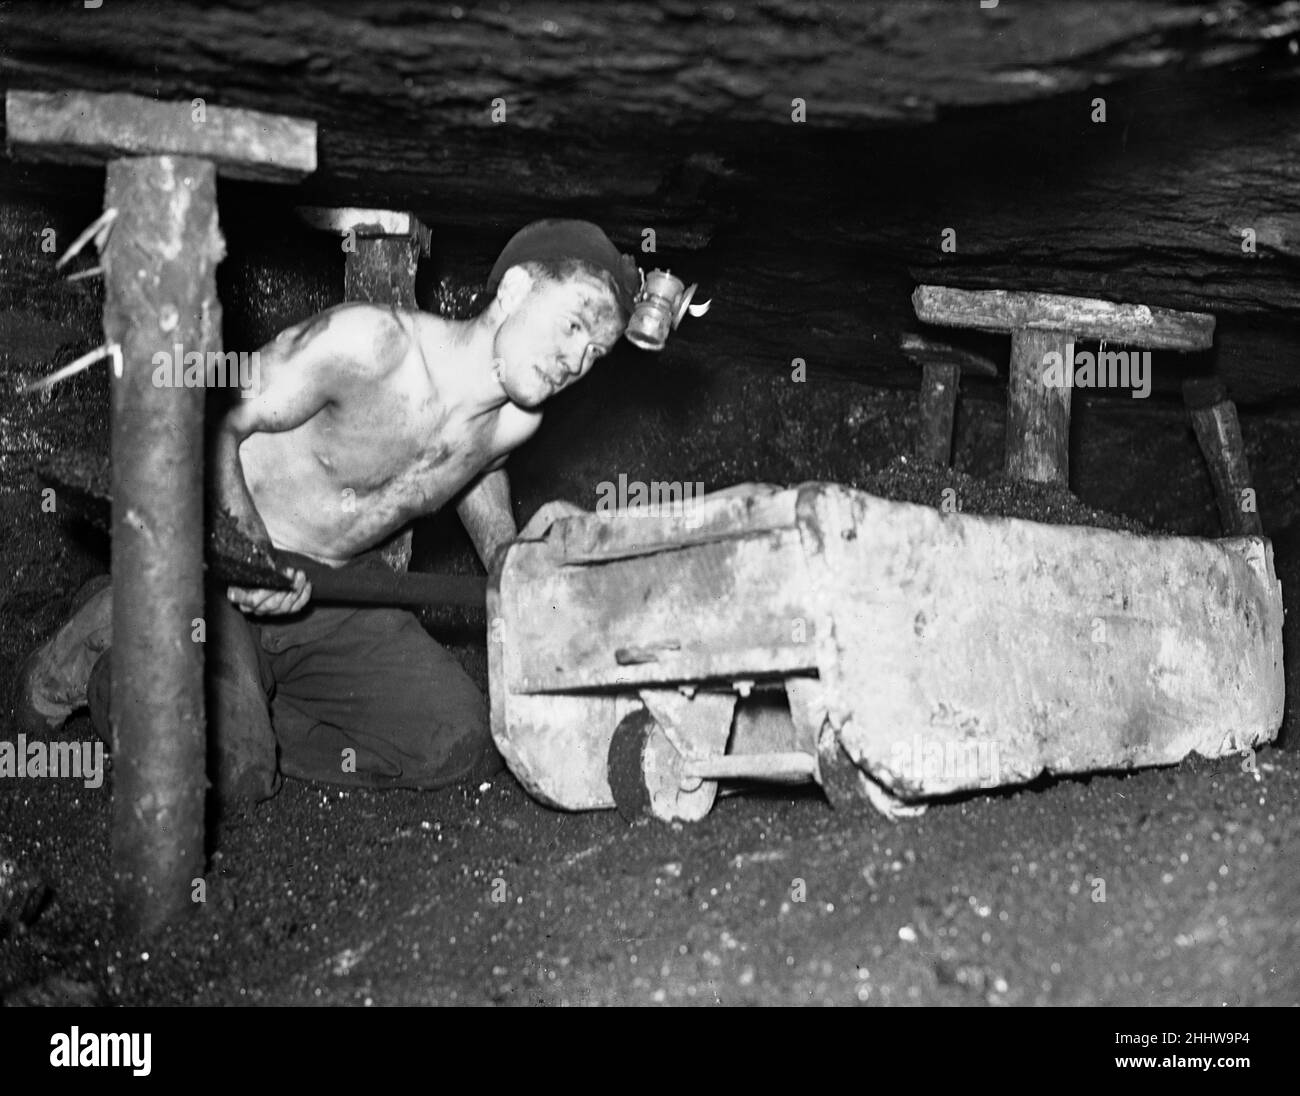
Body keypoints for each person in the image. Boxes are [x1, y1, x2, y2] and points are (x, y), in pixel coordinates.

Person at [17, 219, 641, 807]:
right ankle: (111, 643)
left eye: (596, 350)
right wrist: (251, 553)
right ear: (513, 290)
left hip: (329, 595)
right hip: (224, 570)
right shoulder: (371, 346)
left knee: (453, 742)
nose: (577, 360)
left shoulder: (515, 419)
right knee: (219, 766)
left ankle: (244, 714)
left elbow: (477, 466)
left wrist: (507, 555)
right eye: (573, 324)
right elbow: (209, 413)